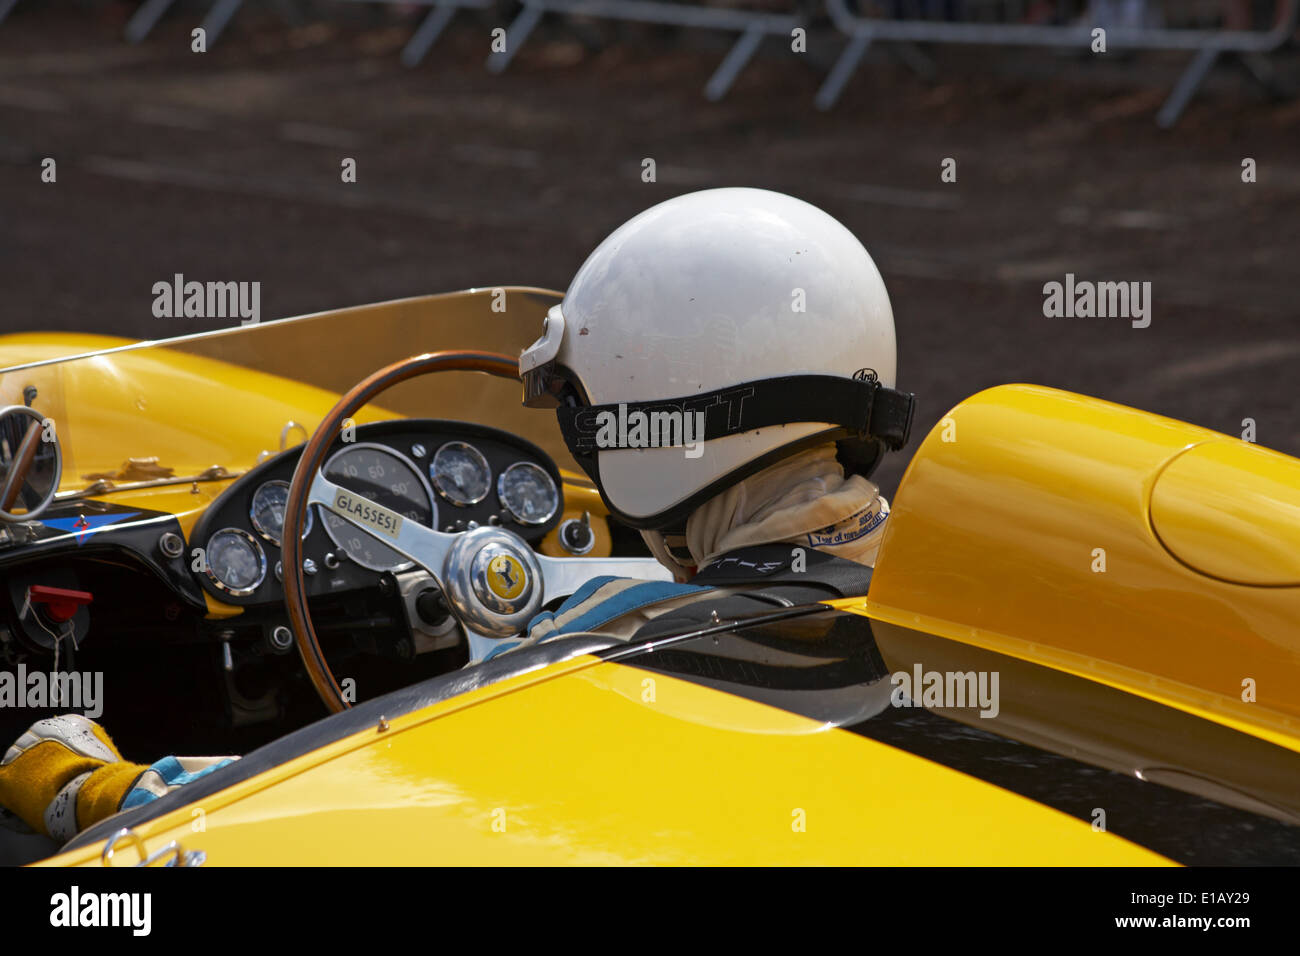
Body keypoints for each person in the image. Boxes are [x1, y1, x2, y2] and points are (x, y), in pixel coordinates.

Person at [0, 187, 914, 843]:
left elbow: (348, 808)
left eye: (583, 418)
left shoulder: (589, 658)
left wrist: (93, 788)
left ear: (641, 423)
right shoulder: (941, 571)